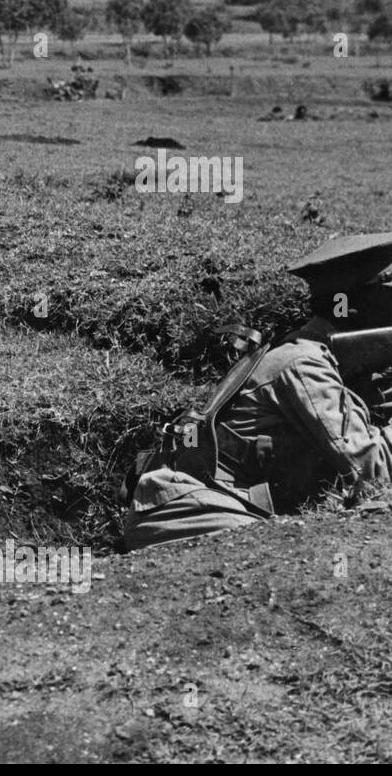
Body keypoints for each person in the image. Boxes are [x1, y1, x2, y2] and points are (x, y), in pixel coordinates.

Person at [123, 233, 392, 551]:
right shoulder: (303, 363)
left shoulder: (302, 351)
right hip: (189, 511)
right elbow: (369, 469)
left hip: (196, 503)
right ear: (354, 304)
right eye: (384, 288)